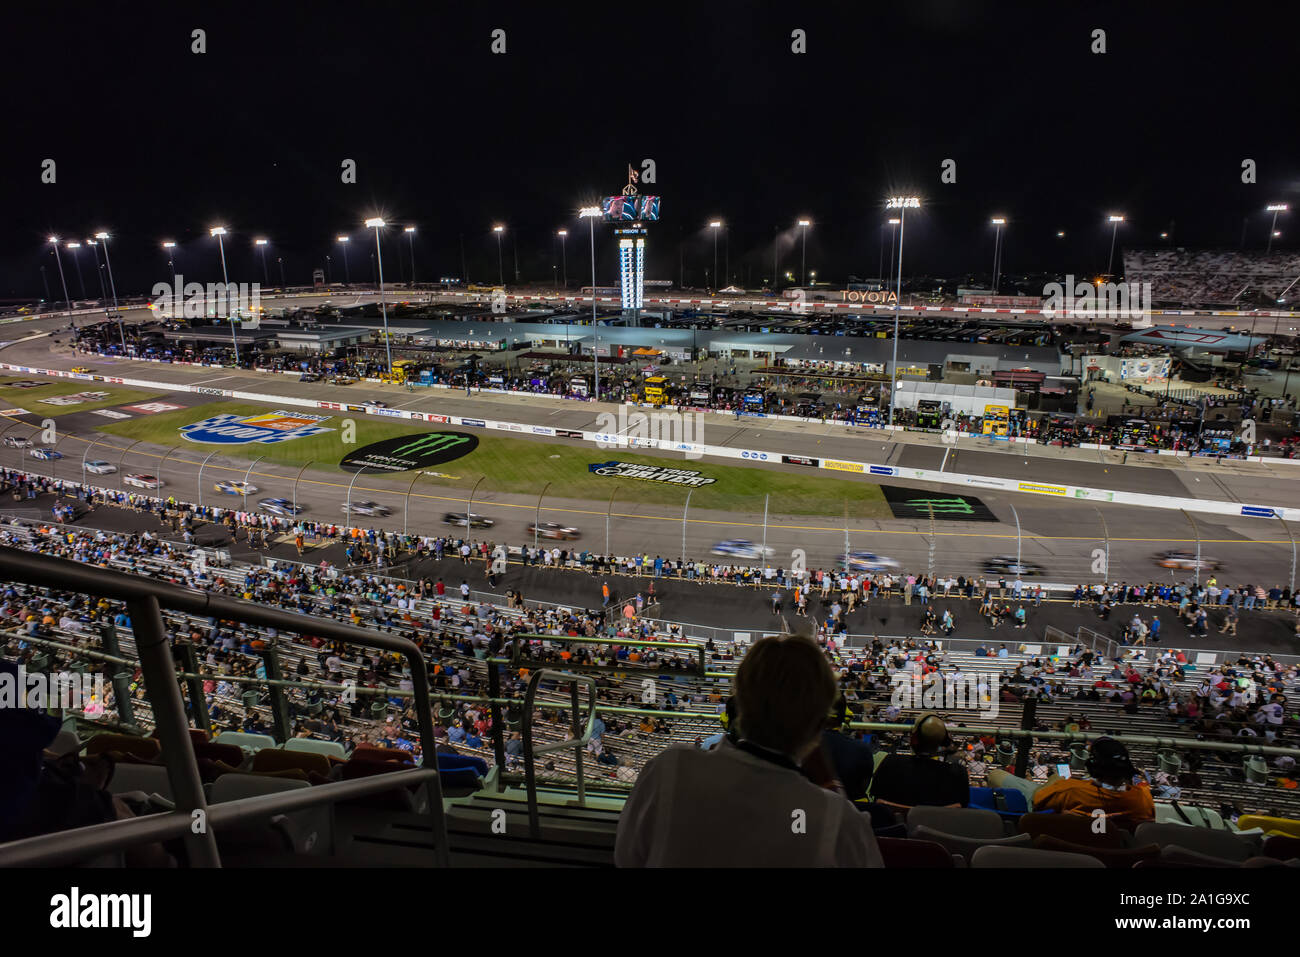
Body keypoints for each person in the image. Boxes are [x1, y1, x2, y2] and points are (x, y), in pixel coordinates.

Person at [615, 634, 883, 867]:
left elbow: (627, 857)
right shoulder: (837, 821)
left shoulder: (669, 768)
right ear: (820, 722)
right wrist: (830, 788)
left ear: (739, 701)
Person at [990, 737, 1155, 830]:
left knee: (995, 775)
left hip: (1041, 801)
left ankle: (1051, 780)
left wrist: (1056, 783)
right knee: (1056, 779)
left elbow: (1037, 800)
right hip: (1109, 850)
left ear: (1092, 765)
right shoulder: (1143, 797)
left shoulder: (1071, 790)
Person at [869, 713, 970, 808]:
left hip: (895, 825)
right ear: (943, 741)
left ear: (914, 738)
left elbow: (876, 798)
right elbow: (963, 807)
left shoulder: (889, 764)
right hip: (938, 826)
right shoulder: (958, 774)